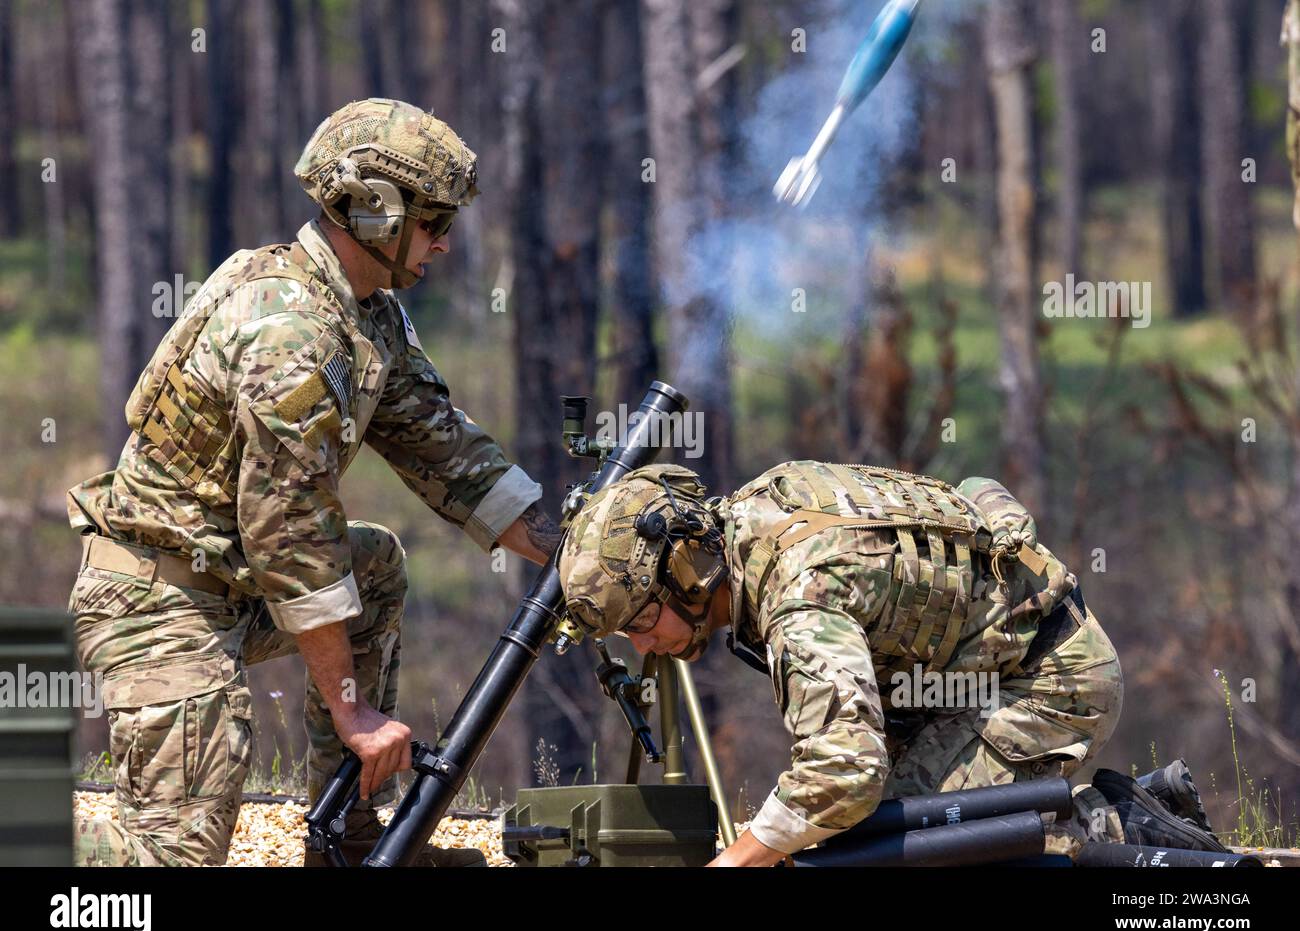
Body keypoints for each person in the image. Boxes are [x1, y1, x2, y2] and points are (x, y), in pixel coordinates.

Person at [67, 98, 561, 866]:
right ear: (375, 214)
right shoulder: (291, 329)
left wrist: (572, 555)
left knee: (374, 563)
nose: (446, 245)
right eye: (434, 225)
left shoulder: (366, 316)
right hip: (156, 601)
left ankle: (351, 845)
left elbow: (444, 450)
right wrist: (354, 713)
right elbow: (287, 529)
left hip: (225, 582)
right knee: (171, 861)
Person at [559, 460, 1126, 866]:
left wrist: (738, 860)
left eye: (639, 623)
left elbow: (844, 772)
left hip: (1051, 683)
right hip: (971, 682)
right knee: (840, 831)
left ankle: (1117, 829)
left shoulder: (798, 595)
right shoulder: (761, 505)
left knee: (881, 851)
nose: (643, 647)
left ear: (685, 574)